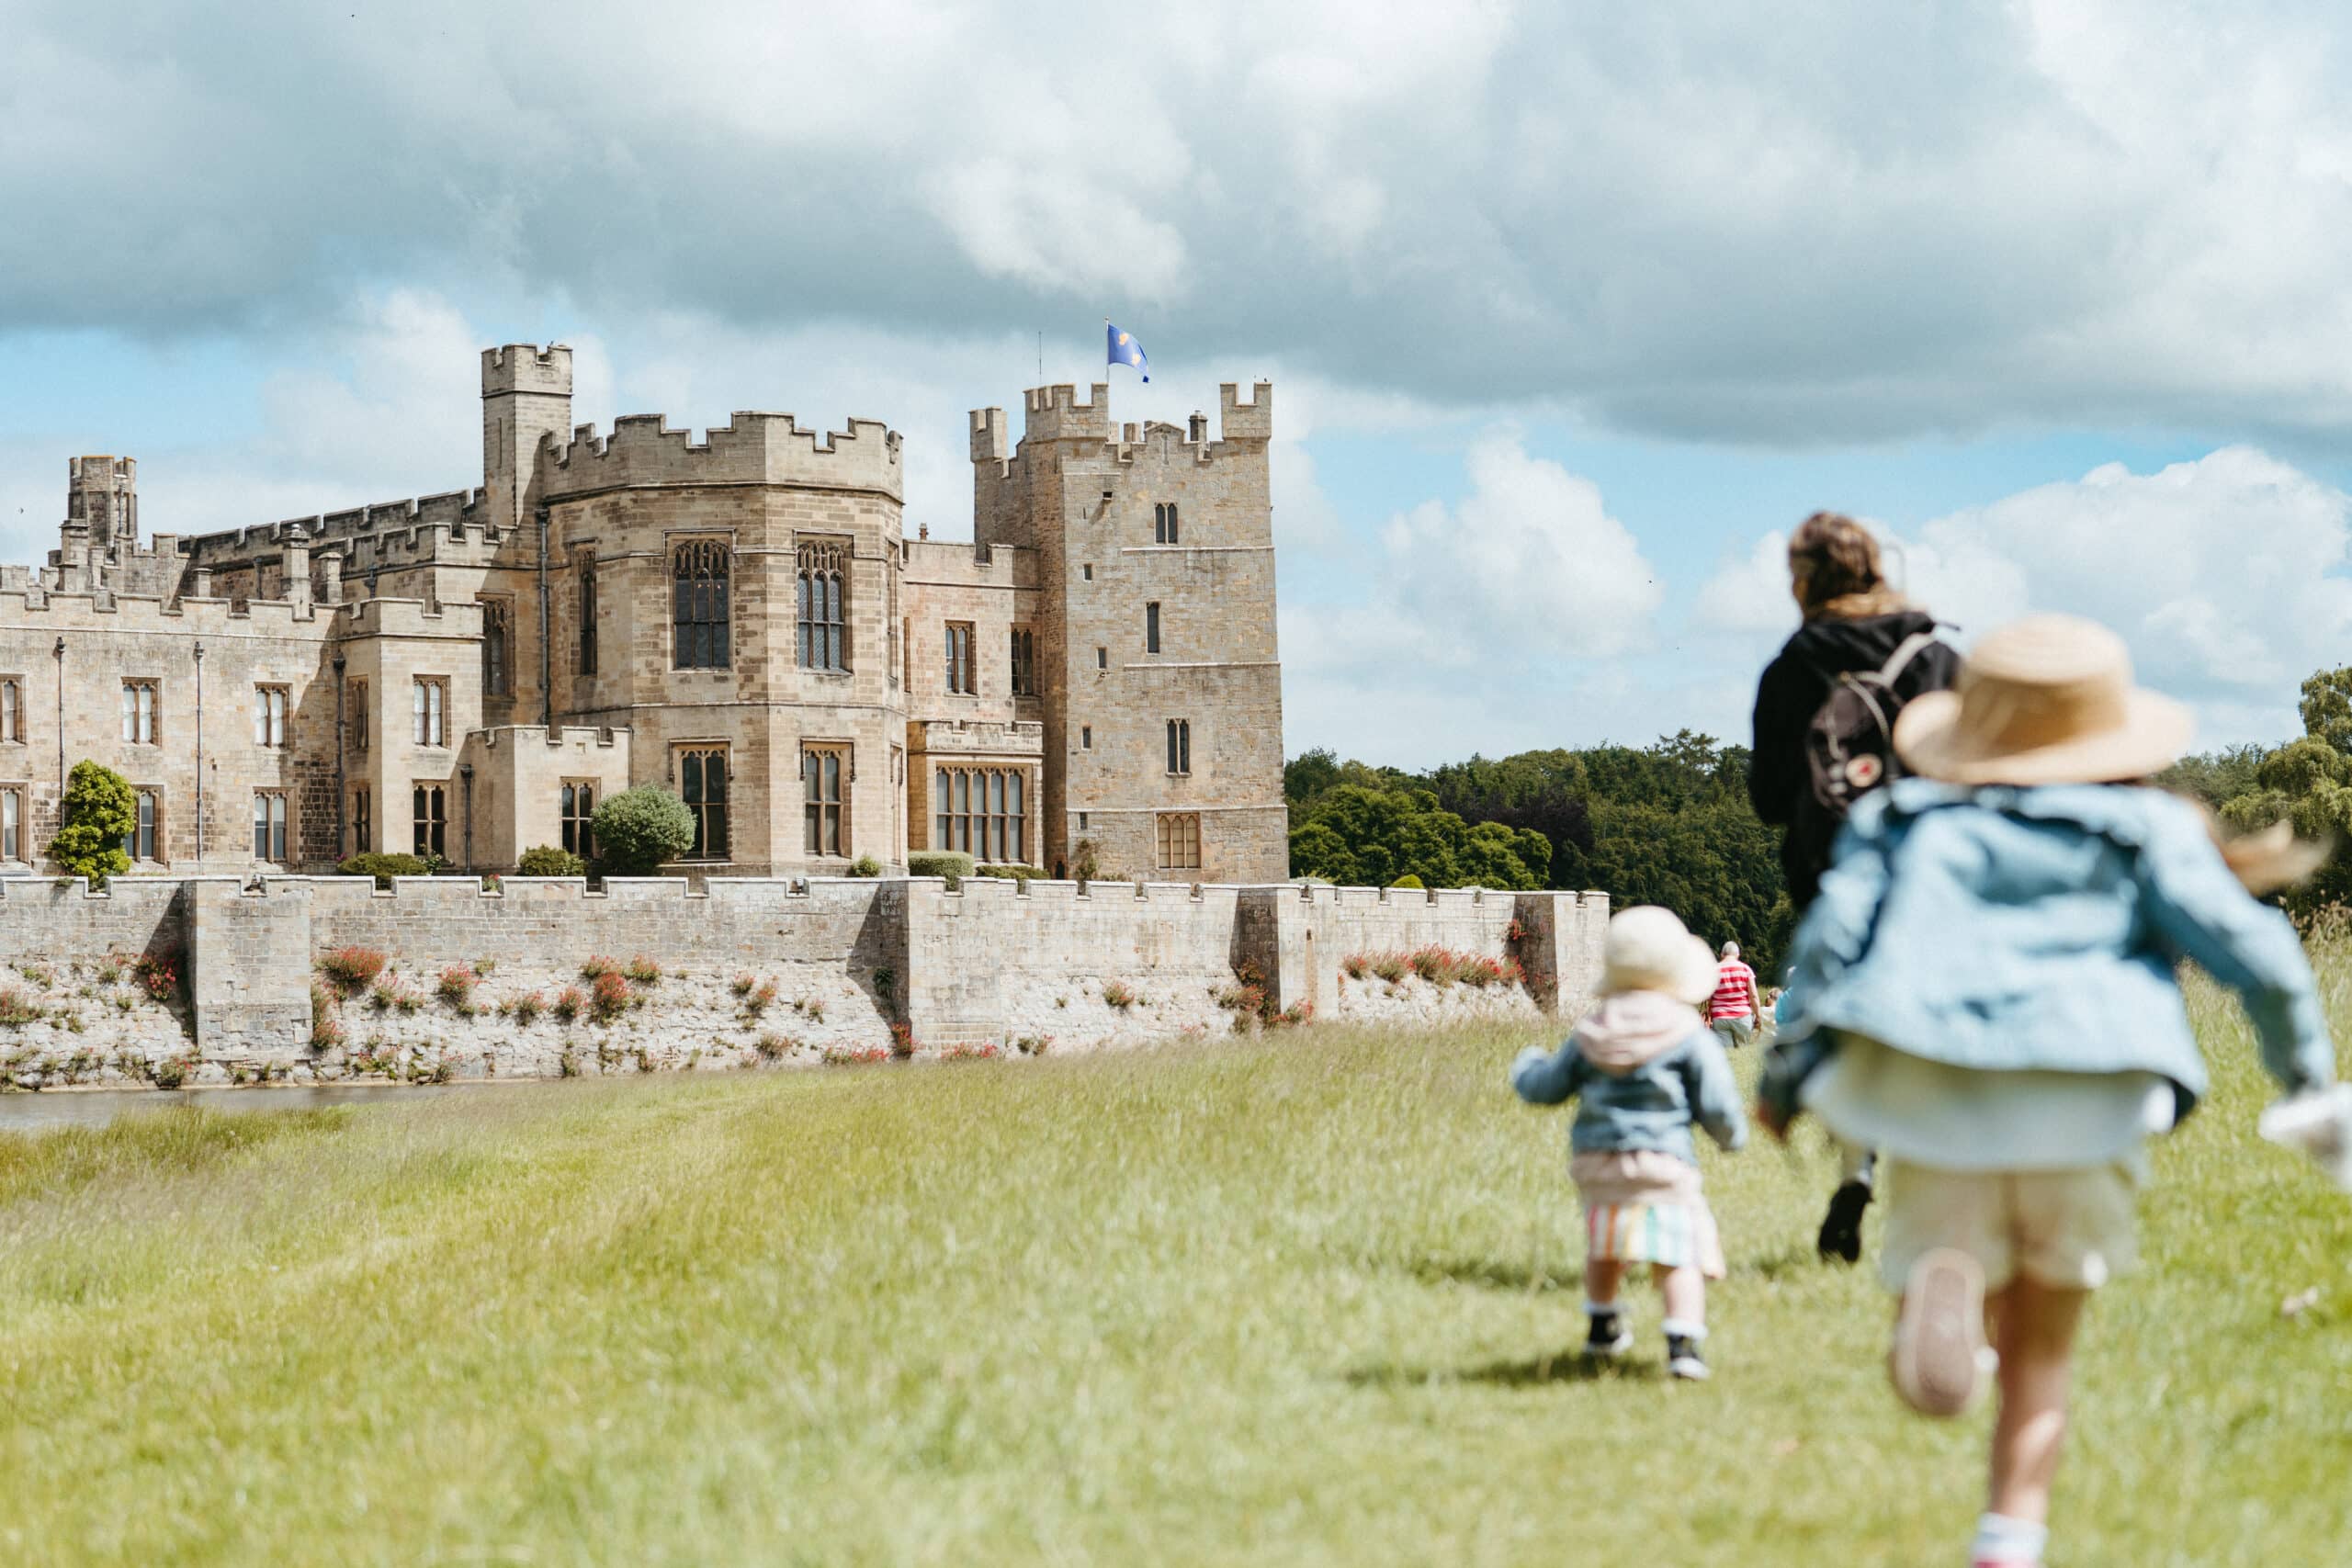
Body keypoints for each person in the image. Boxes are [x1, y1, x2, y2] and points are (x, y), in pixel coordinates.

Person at [1758, 615, 2339, 1568]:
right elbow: (2258, 956)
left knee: (1947, 1285)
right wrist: (2306, 1078)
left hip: (1929, 1097)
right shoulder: (2146, 828)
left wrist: (1785, 1078)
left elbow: (1823, 949)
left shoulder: (1900, 820)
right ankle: (2008, 1544)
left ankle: (1935, 1290)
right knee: (2041, 1357)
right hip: (2088, 1102)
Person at [1747, 511, 1961, 1262]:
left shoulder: (1793, 663)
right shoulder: (1934, 653)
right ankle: (1935, 1192)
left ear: (1805, 579)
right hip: (1933, 869)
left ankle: (1856, 1167)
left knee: (1849, 1028)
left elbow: (1770, 797)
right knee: (1932, 1034)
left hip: (1831, 868)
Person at [1511, 906, 1747, 1381]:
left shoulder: (1592, 1031)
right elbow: (1718, 1103)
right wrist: (1730, 1136)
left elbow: (1548, 1087)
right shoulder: (1686, 1034)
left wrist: (1526, 1066)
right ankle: (1683, 1342)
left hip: (1597, 1164)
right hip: (1664, 1162)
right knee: (1680, 1250)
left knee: (1606, 1244)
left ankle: (1602, 1325)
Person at [1706, 940, 1761, 1049]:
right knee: (1743, 1052)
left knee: (1727, 1053)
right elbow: (1754, 995)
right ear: (1738, 955)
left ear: (1722, 954)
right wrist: (1758, 1016)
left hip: (1720, 1016)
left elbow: (1709, 997)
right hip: (1742, 1016)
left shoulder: (1713, 970)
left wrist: (1710, 1016)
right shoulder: (1746, 969)